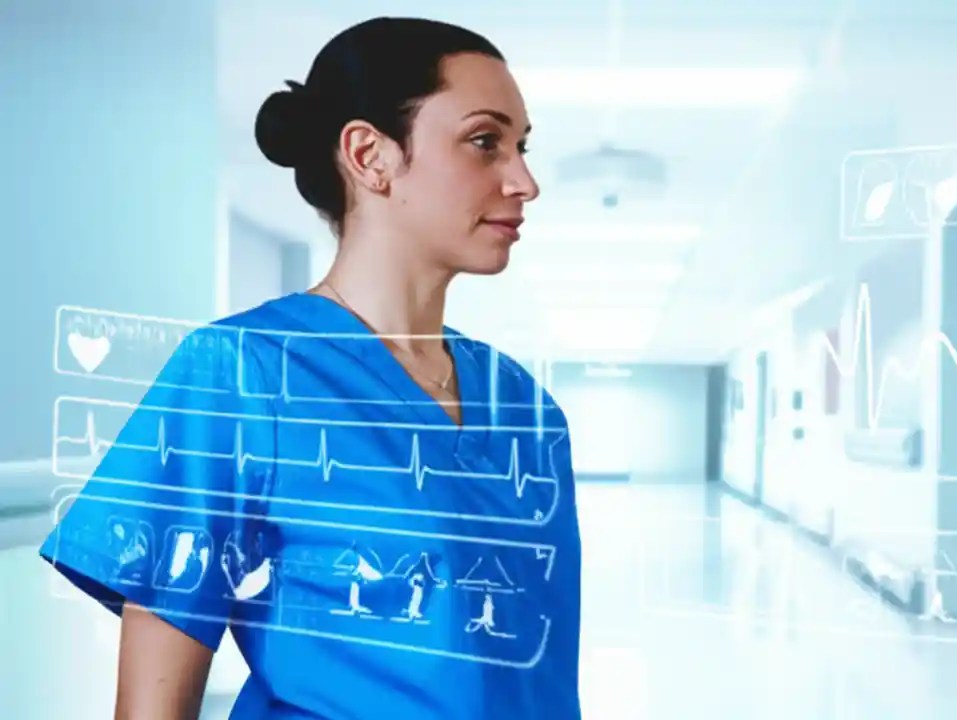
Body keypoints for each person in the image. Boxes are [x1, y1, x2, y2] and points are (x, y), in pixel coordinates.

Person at [38, 16, 581, 719]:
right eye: (485, 142)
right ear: (369, 155)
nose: (524, 181)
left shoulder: (526, 409)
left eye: (522, 147)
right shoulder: (240, 375)